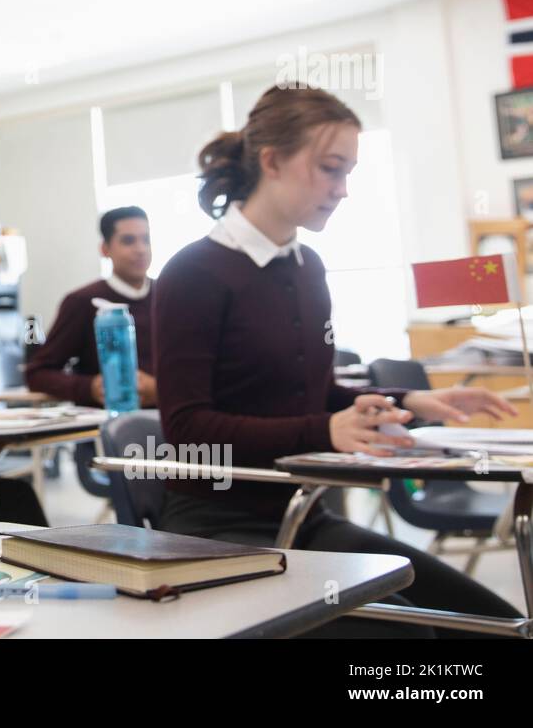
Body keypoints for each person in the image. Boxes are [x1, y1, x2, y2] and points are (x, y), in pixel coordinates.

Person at [153, 83, 521, 635]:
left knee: (494, 622)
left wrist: (413, 399)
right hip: (217, 532)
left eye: (349, 171)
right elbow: (186, 430)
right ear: (272, 161)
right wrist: (326, 428)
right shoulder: (194, 272)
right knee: (419, 643)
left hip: (301, 515)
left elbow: (316, 394)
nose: (344, 190)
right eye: (331, 169)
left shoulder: (306, 266)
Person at [24, 206, 157, 408]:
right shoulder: (82, 301)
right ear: (105, 249)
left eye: (146, 239)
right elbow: (38, 373)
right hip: (109, 425)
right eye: (128, 241)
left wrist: (160, 388)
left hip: (173, 420)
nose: (140, 249)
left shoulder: (171, 295)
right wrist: (90, 387)